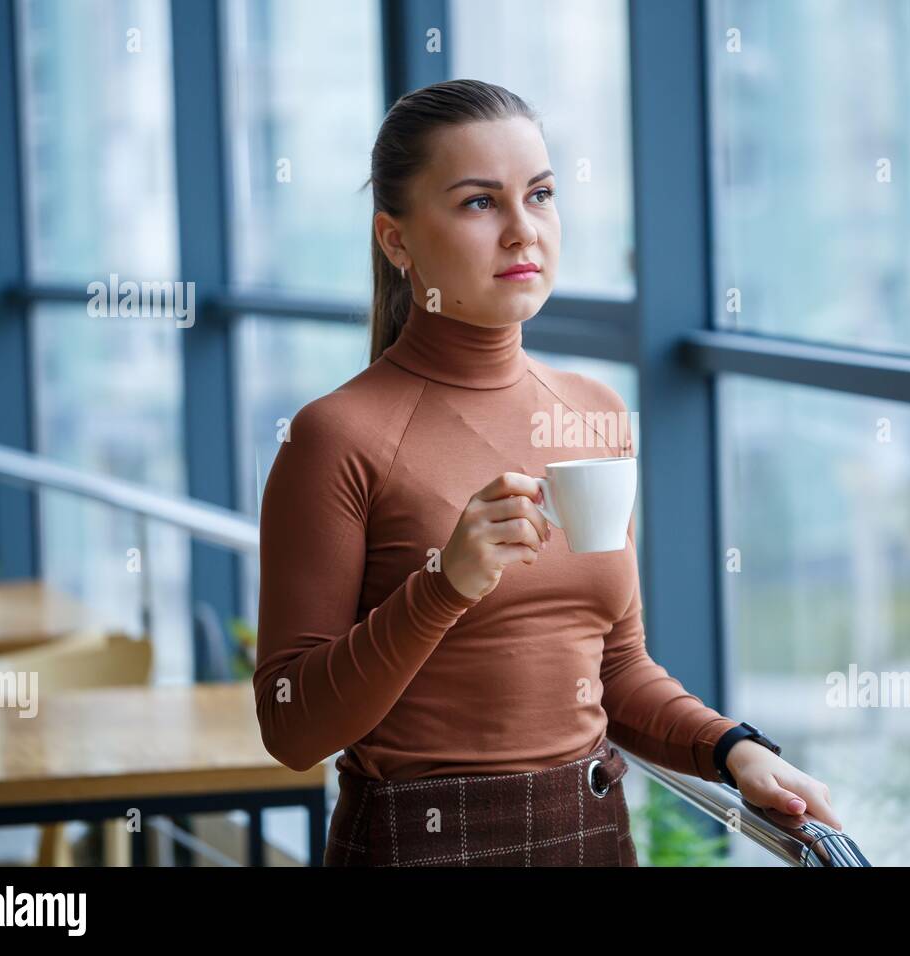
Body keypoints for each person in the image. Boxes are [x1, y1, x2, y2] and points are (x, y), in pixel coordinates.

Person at [253, 78, 840, 867]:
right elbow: (291, 729)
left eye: (541, 194)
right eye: (477, 203)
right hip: (417, 848)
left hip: (592, 837)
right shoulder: (335, 437)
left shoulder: (593, 411)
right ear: (396, 242)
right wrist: (442, 588)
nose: (522, 231)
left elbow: (616, 668)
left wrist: (735, 750)